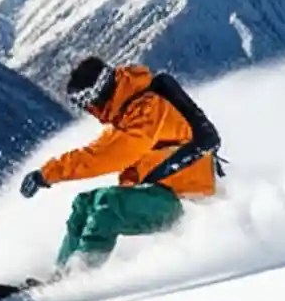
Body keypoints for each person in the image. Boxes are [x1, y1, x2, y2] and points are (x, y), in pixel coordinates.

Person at [19, 56, 222, 279]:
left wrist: (48, 175)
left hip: (186, 200)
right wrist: (47, 173)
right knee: (84, 203)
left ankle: (79, 276)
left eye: (84, 102)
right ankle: (60, 274)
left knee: (108, 205)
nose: (87, 110)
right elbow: (98, 150)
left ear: (97, 96)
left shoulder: (148, 110)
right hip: (160, 192)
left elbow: (107, 156)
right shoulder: (128, 112)